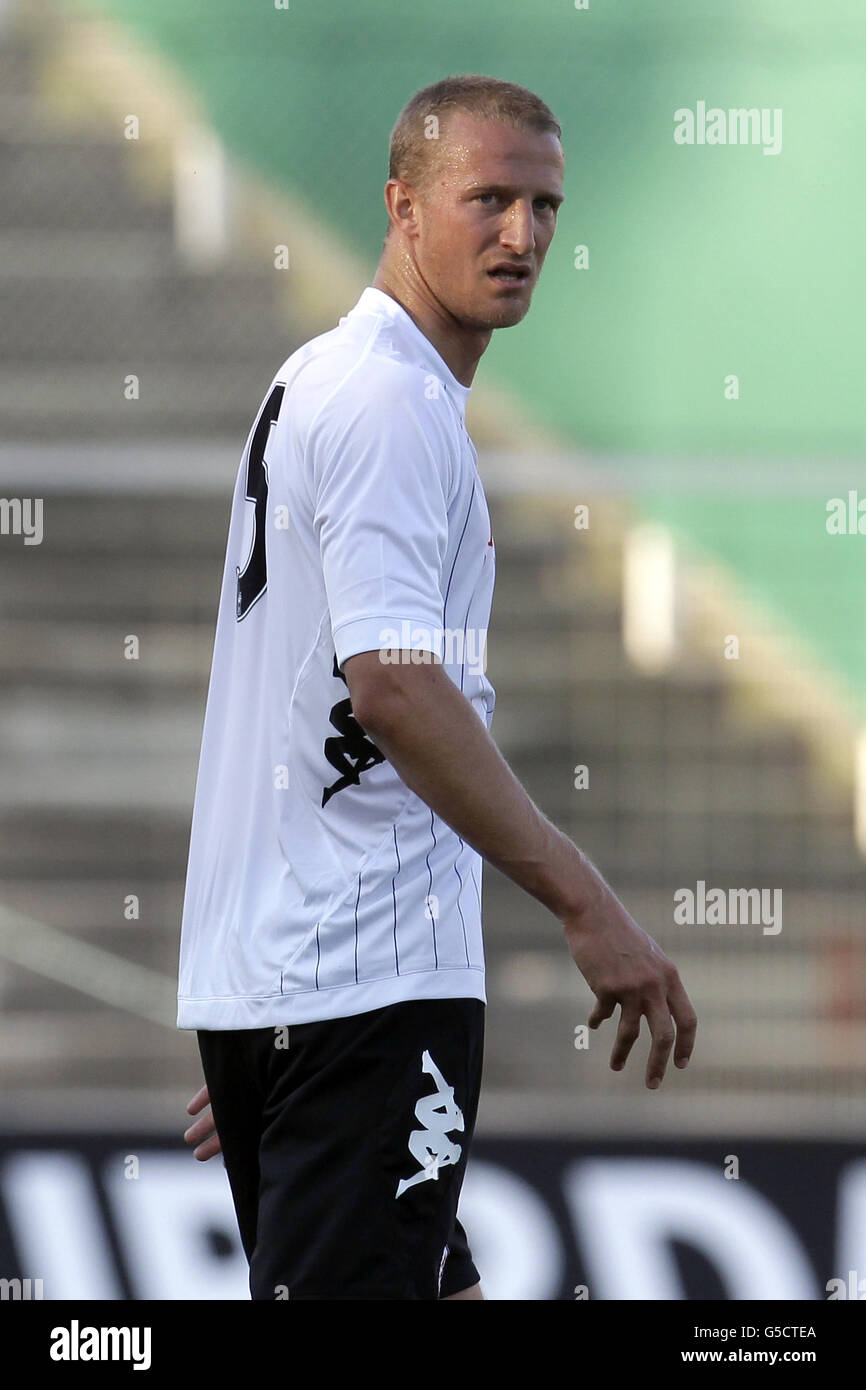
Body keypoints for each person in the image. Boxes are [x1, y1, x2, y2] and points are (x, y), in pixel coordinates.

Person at [179, 73, 697, 1301]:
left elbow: (302, 687)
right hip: (364, 986)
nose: (520, 237)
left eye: (542, 207)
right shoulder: (389, 404)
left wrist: (273, 1020)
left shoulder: (326, 374)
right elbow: (395, 693)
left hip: (310, 986)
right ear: (402, 207)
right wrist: (585, 903)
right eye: (487, 200)